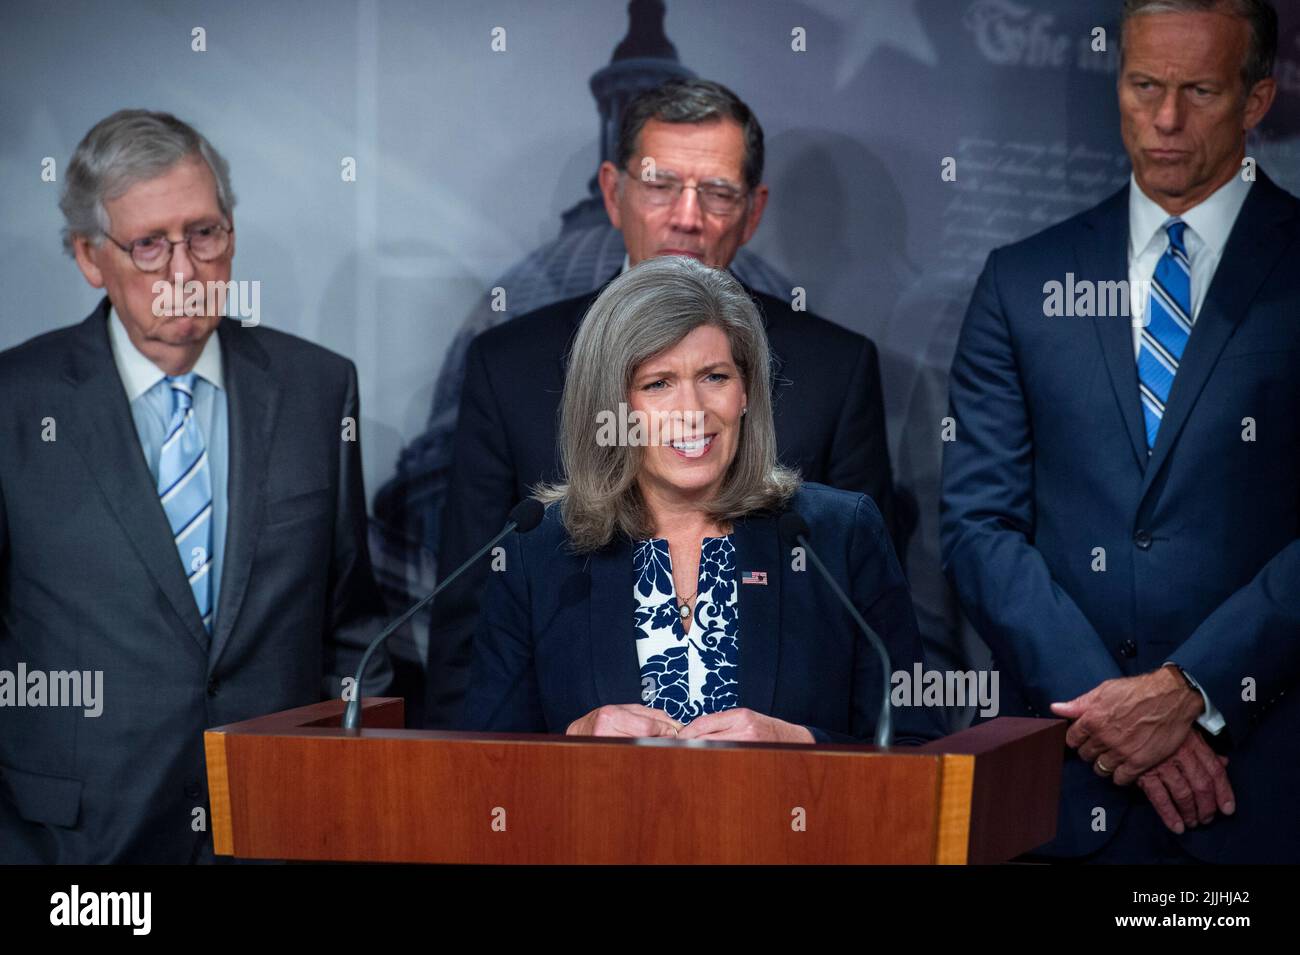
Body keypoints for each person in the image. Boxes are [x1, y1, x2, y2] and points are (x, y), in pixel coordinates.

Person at [942, 0, 1298, 863]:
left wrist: (1194, 690)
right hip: (1068, 789)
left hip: (1263, 784)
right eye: (1144, 86)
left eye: (1199, 91)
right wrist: (1113, 712)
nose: (1165, 119)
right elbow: (979, 528)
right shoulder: (1021, 281)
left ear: (1257, 99)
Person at [431, 78, 901, 728]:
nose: (687, 216)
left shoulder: (836, 384)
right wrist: (560, 750)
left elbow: (894, 715)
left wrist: (806, 749)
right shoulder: (508, 365)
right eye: (661, 184)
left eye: (717, 192)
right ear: (612, 191)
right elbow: (470, 661)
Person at [0, 110, 391, 863]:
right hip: (75, 847)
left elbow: (352, 629)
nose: (184, 273)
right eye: (149, 244)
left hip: (278, 826)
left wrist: (349, 799)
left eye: (203, 234)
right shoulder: (16, 403)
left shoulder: (316, 389)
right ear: (89, 256)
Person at [462, 256, 938, 745]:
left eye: (715, 377)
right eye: (658, 384)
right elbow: (485, 765)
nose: (692, 411)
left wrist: (801, 745)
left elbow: (916, 750)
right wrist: (573, 740)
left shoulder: (839, 536)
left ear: (746, 392)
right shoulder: (538, 552)